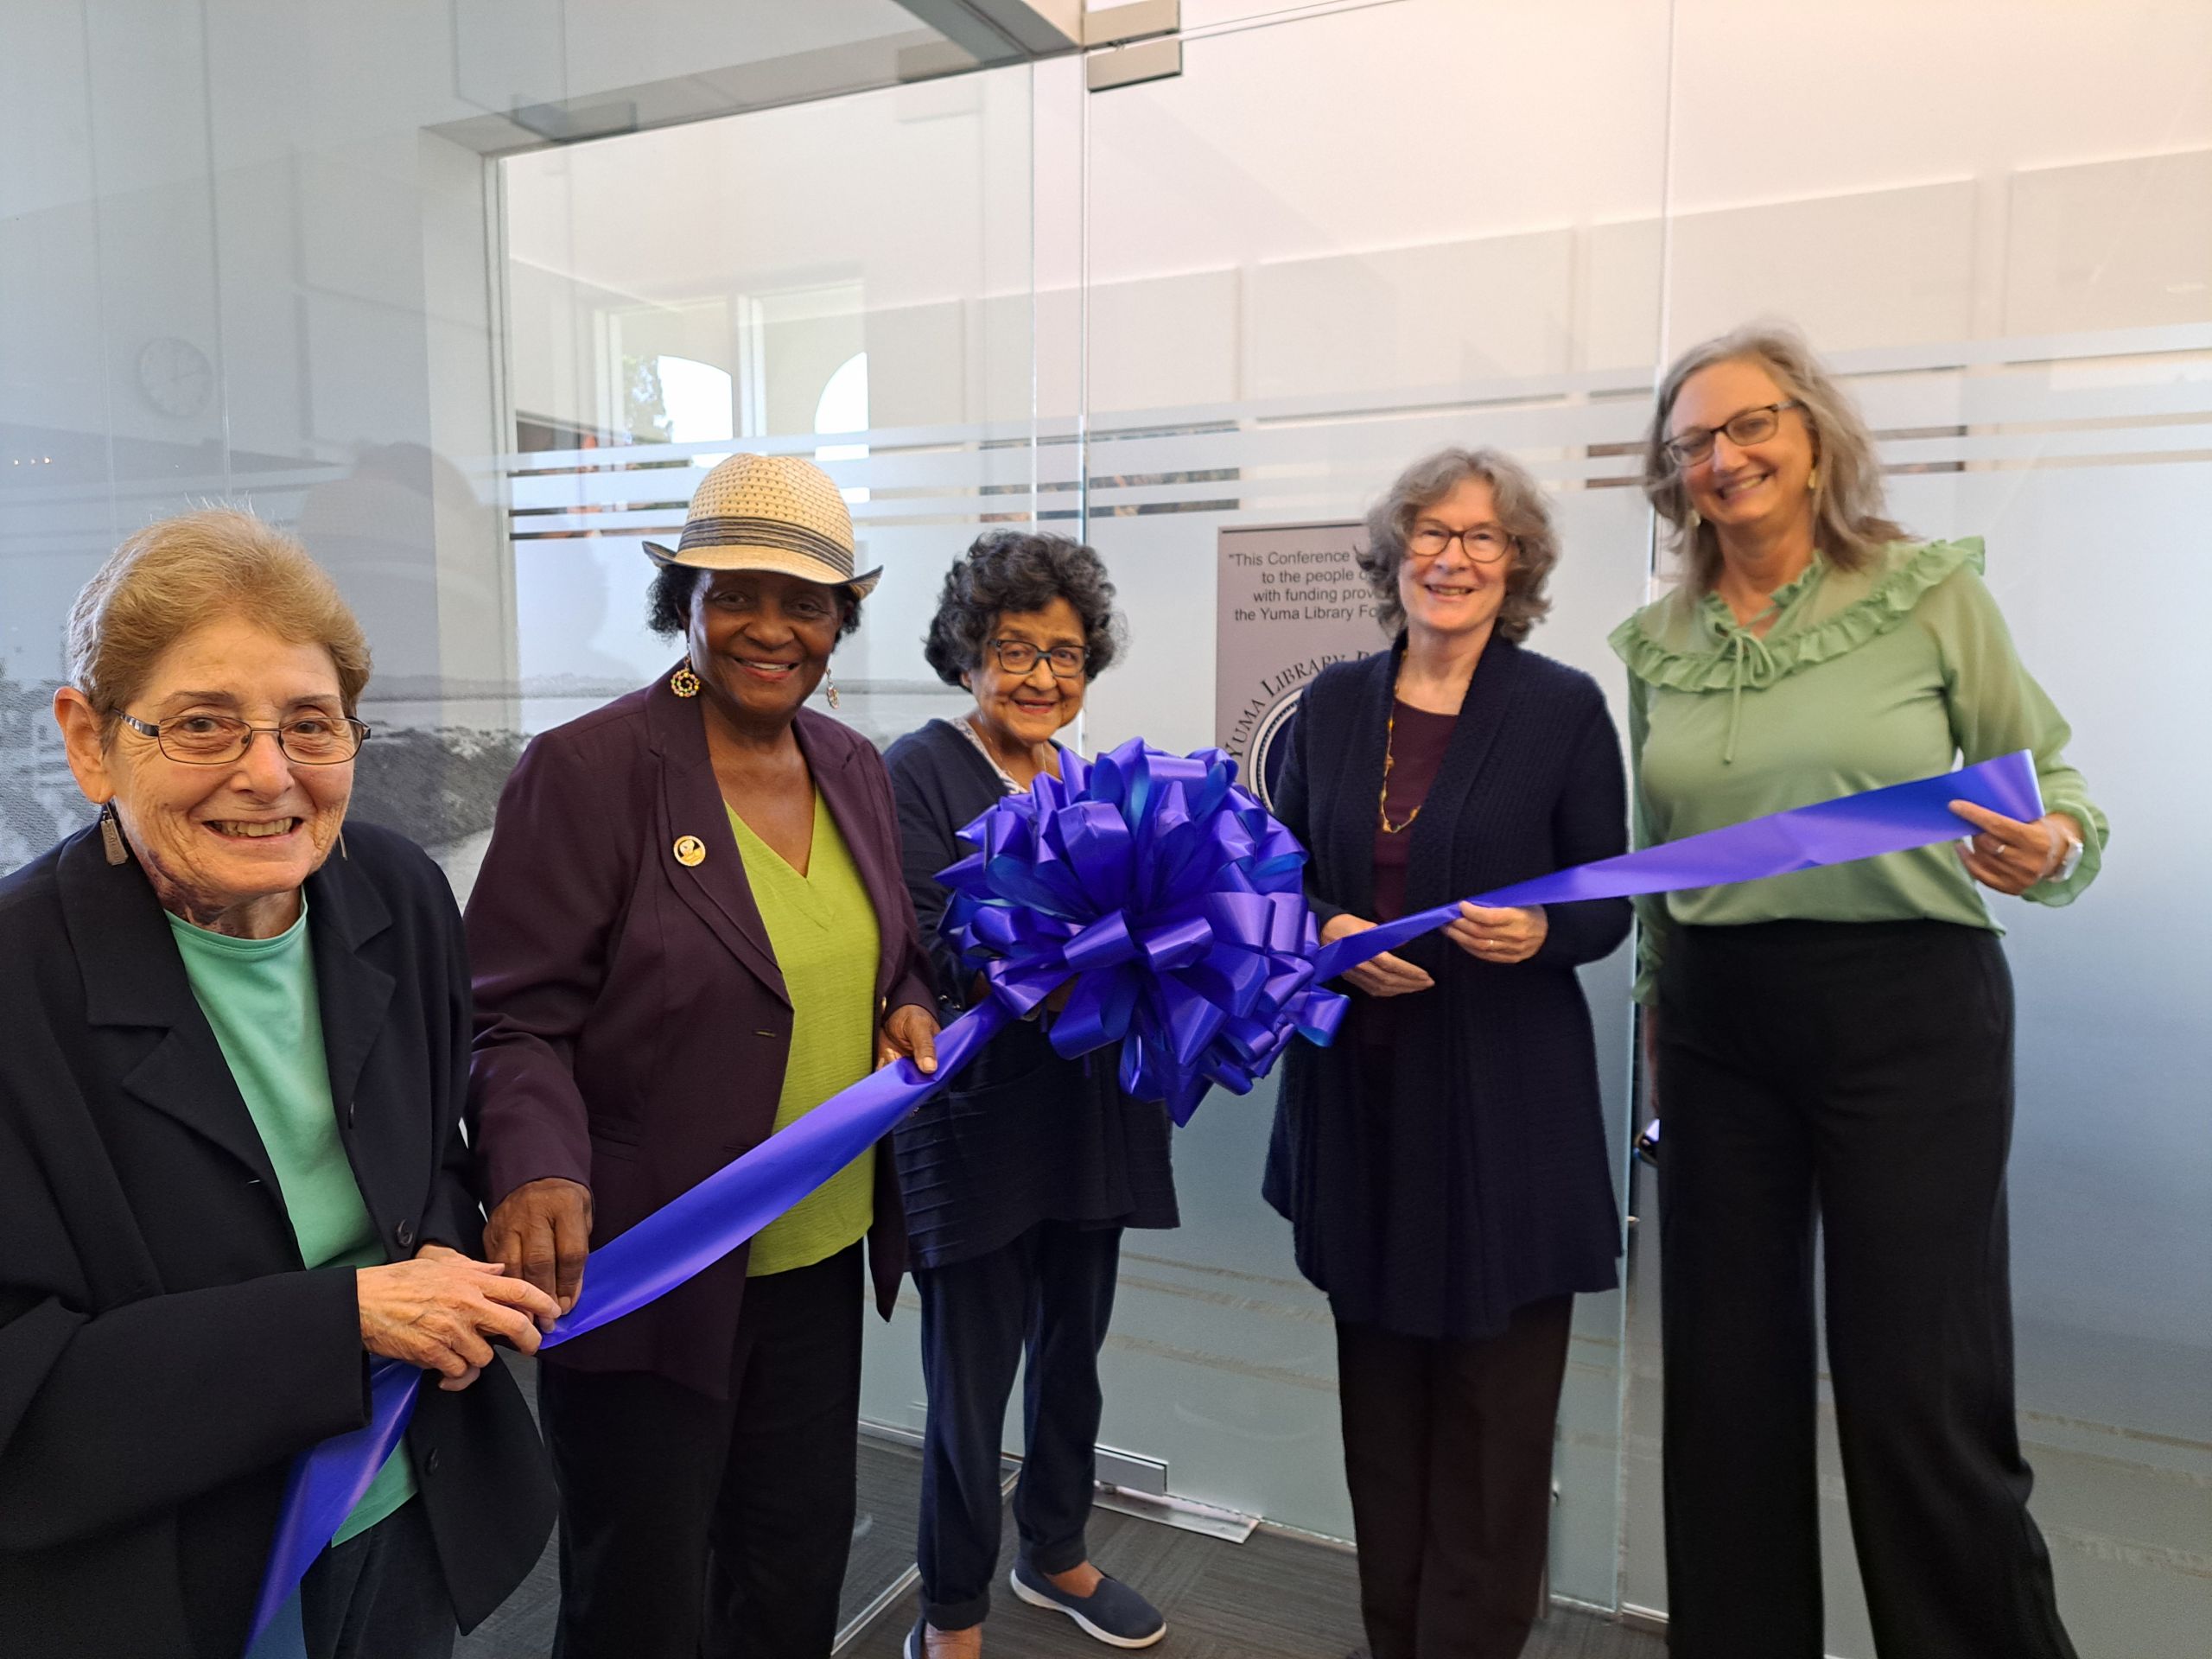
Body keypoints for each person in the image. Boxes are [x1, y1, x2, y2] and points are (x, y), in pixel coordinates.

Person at [1614, 323, 2105, 1659]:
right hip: (1718, 1027)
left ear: (1812, 432)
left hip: (1910, 1017)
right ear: (1673, 477)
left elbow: (2052, 786)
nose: (1725, 458)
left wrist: (2048, 848)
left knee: (1916, 1391)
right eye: (1694, 443)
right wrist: (1661, 1026)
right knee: (1725, 1389)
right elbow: (1665, 871)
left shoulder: (1926, 591)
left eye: (1749, 425)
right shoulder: (1655, 643)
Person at [0, 509, 558, 1659]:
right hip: (174, 1568)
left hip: (407, 1495)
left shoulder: (395, 896)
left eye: (311, 725)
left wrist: (473, 1244)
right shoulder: (16, 989)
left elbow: (426, 1161)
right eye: (204, 725)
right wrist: (349, 1317)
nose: (270, 775)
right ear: (90, 739)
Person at [467, 453, 942, 1659]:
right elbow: (508, 1017)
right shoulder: (588, 773)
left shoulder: (851, 768)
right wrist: (532, 1164)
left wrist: (906, 1002)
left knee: (791, 1573)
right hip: (651, 1263)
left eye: (808, 604)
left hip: (818, 1261)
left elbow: (888, 952)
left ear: (843, 621)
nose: (770, 629)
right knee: (641, 1600)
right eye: (737, 593)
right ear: (682, 600)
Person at [1263, 448, 1632, 1659]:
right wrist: (1324, 928)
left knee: (1492, 1422)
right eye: (1431, 532)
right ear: (1395, 553)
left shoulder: (1563, 707)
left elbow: (1609, 902)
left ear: (1514, 563)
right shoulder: (1331, 704)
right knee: (1383, 1414)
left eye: (1481, 537)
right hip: (1362, 1106)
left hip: (1504, 1118)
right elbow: (1284, 879)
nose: (1453, 556)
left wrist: (1541, 928)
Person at [884, 533, 1176, 1659]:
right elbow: (919, 934)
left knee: (1073, 1353)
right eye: (1016, 650)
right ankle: (950, 1612)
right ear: (967, 657)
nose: (1045, 676)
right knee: (970, 1382)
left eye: (1066, 653)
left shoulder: (1085, 778)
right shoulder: (919, 767)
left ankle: (1054, 1550)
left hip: (1091, 1112)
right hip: (976, 1122)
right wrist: (1041, 958)